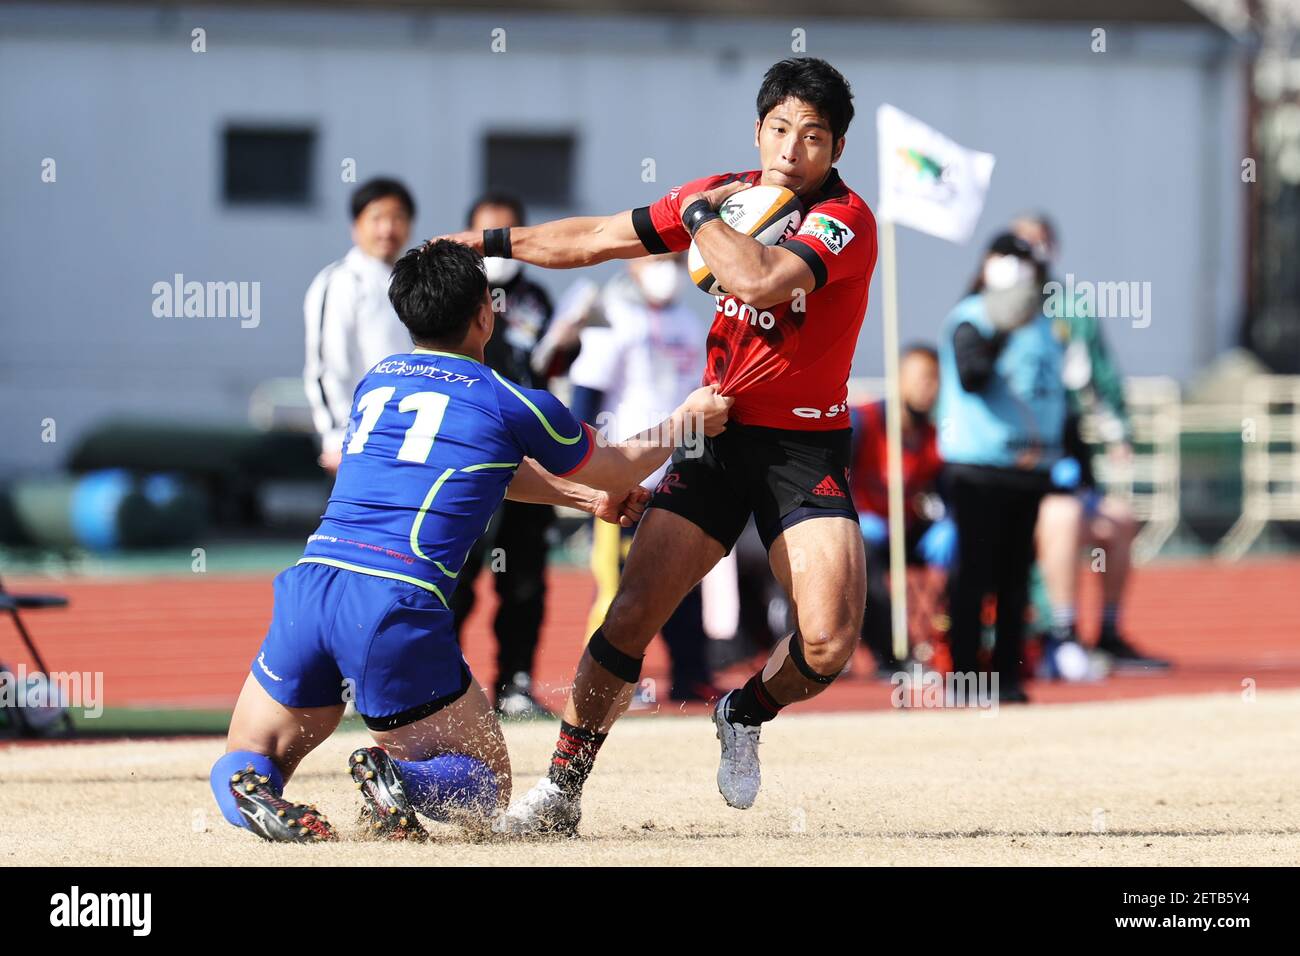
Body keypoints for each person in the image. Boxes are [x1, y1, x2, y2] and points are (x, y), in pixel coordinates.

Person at [435, 56, 877, 832]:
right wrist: (485, 242)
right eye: (780, 129)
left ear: (836, 149)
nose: (792, 148)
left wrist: (704, 221)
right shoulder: (725, 190)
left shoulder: (844, 218)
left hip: (805, 448)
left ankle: (743, 709)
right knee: (633, 610)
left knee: (830, 640)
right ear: (758, 129)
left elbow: (762, 280)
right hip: (717, 430)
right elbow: (597, 238)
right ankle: (560, 793)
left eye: (813, 137)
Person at [208, 239, 732, 843]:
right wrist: (688, 418)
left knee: (253, 748)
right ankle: (397, 778)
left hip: (311, 585)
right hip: (394, 602)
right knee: (486, 783)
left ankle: (253, 790)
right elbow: (617, 465)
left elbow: (487, 468)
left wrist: (584, 500)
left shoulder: (377, 383)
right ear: (487, 313)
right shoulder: (510, 402)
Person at [1010, 213, 1170, 674]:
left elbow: (1099, 374)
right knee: (1056, 522)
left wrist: (1118, 431)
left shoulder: (1070, 308)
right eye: (1022, 242)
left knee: (1117, 522)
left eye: (1039, 242)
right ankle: (1053, 634)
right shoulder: (993, 308)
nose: (1031, 252)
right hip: (1011, 455)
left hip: (1064, 448)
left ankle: (1110, 633)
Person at [567, 253, 722, 703]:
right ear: (633, 264)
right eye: (657, 259)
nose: (666, 269)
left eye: (675, 260)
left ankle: (691, 676)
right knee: (620, 587)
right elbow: (584, 398)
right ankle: (601, 684)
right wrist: (589, 472)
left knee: (684, 581)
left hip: (681, 473)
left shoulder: (693, 323)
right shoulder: (610, 316)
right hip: (625, 478)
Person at [450, 194, 577, 720]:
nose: (497, 243)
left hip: (528, 460)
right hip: (471, 459)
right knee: (456, 576)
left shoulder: (537, 299)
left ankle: (516, 684)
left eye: (506, 232)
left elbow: (546, 369)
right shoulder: (456, 297)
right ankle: (439, 683)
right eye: (486, 233)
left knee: (524, 580)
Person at [936, 233, 1067, 704]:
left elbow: (1053, 393)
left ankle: (1009, 679)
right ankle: (966, 678)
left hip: (1029, 469)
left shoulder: (1045, 326)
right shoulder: (971, 318)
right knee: (974, 575)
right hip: (978, 468)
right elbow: (972, 377)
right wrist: (1003, 323)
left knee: (1015, 579)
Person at [848, 344, 951, 673]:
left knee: (960, 540)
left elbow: (943, 493)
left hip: (907, 531)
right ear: (900, 380)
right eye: (921, 378)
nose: (928, 388)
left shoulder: (933, 438)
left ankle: (955, 642)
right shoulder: (864, 421)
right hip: (868, 530)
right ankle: (890, 652)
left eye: (935, 380)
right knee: (864, 548)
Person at [304, 178, 417, 474]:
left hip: (411, 439)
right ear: (356, 225)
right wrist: (335, 437)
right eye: (377, 218)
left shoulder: (414, 282)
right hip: (359, 443)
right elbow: (325, 366)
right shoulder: (342, 280)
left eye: (398, 218)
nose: (387, 229)